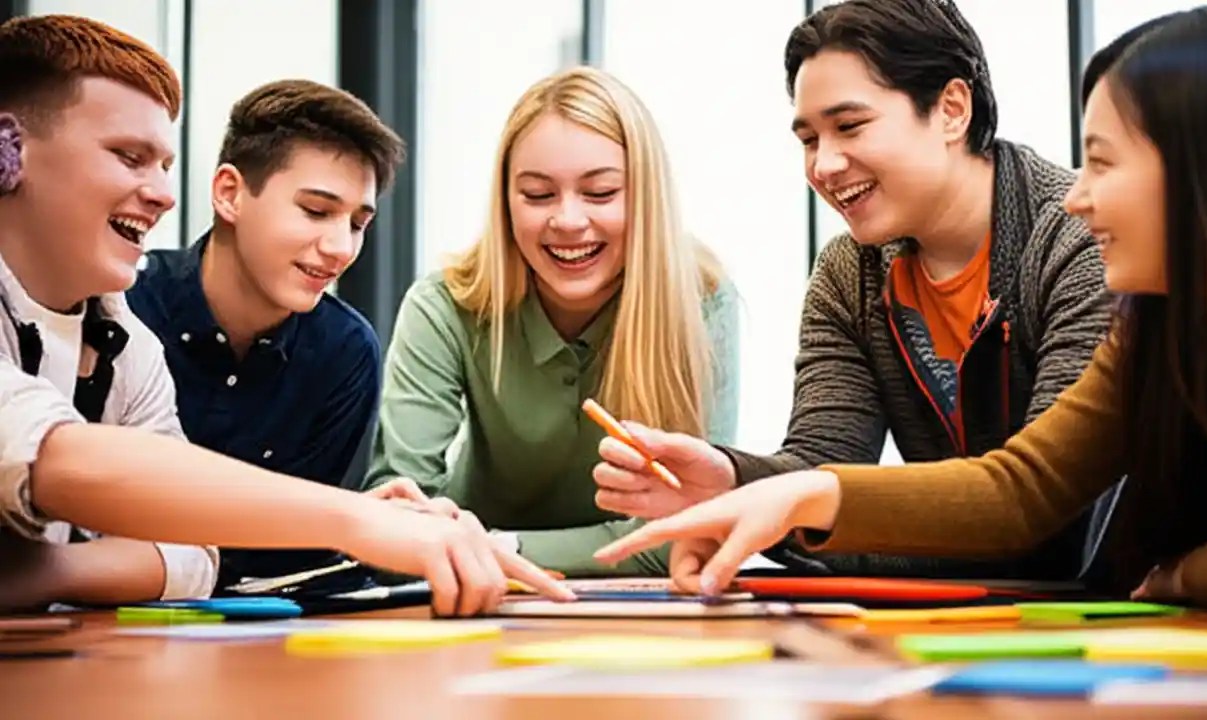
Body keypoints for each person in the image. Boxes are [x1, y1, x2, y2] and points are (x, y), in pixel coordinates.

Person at [595, 3, 1207, 617]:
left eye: (851, 125)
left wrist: (1189, 573)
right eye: (808, 138)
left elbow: (1052, 526)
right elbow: (1012, 490)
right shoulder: (851, 273)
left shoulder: (1073, 248)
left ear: (953, 109)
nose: (824, 164)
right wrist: (743, 484)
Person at [0, 14, 572, 616]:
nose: (165, 194)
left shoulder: (125, 342)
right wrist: (357, 520)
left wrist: (38, 571)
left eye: (164, 166)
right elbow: (58, 460)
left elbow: (196, 553)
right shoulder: (141, 313)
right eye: (129, 156)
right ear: (8, 152)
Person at [364, 66, 740, 576]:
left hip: (600, 607)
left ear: (645, 197)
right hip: (468, 596)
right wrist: (449, 545)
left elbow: (687, 535)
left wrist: (497, 549)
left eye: (601, 193)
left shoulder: (703, 301)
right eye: (538, 195)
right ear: (506, 202)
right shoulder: (444, 306)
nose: (567, 220)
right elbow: (391, 522)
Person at [128, 79, 396, 590]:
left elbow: (290, 558)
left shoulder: (346, 352)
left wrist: (363, 521)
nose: (341, 248)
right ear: (229, 194)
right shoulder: (127, 308)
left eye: (358, 223)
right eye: (316, 211)